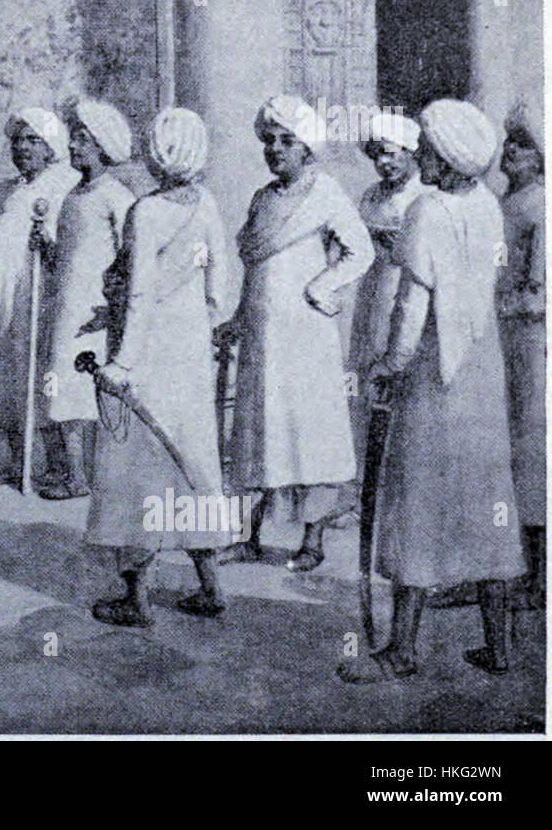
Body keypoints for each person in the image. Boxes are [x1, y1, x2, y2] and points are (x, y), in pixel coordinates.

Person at [340, 99, 525, 682]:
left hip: (432, 376)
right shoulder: (489, 207)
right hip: (481, 370)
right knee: (486, 505)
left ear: (445, 158)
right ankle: (497, 648)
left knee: (415, 504)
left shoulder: (426, 209)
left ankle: (402, 648)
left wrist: (389, 366)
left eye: (425, 148)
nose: (418, 155)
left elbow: (412, 304)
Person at [85, 108, 232, 627]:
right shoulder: (207, 204)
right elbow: (221, 289)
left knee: (140, 471)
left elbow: (142, 293)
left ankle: (138, 599)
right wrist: (197, 325)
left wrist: (123, 361)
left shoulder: (146, 212)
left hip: (147, 355)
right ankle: (211, 587)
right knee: (193, 462)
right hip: (191, 351)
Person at [216, 95, 372, 571]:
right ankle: (251, 537)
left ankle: (312, 542)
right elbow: (254, 272)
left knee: (311, 434)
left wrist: (320, 287)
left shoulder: (325, 193)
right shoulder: (263, 198)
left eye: (287, 142)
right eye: (270, 141)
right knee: (261, 433)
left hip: (307, 336)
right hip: (264, 339)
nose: (276, 150)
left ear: (307, 149)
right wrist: (238, 320)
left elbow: (359, 251)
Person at [337, 114, 432, 526]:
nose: (384, 164)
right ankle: (361, 491)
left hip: (409, 292)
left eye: (391, 156)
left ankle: (402, 494)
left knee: (402, 386)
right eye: (378, 157)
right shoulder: (371, 196)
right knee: (363, 384)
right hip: (373, 294)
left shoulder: (424, 196)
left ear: (411, 155)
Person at [40, 99, 137, 501]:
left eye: (82, 140)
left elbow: (131, 259)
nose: (73, 147)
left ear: (101, 146)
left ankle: (88, 476)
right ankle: (73, 471)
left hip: (95, 313)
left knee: (90, 390)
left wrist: (113, 309)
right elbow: (66, 256)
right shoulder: (72, 195)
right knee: (63, 388)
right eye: (74, 138)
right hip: (66, 306)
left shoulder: (117, 197)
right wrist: (46, 249)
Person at [0, 107, 79, 487]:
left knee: (43, 383)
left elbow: (71, 250)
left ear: (51, 145)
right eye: (17, 140)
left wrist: (49, 246)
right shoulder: (9, 190)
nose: (22, 147)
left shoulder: (64, 185)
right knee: (7, 379)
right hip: (6, 300)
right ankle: (19, 462)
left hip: (42, 299)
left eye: (32, 140)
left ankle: (59, 465)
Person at [495, 105, 545, 610]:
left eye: (523, 146)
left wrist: (494, 308)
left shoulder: (541, 207)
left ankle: (539, 579)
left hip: (531, 348)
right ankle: (503, 571)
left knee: (532, 456)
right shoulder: (506, 203)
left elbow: (538, 292)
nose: (511, 153)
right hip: (502, 345)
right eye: (509, 144)